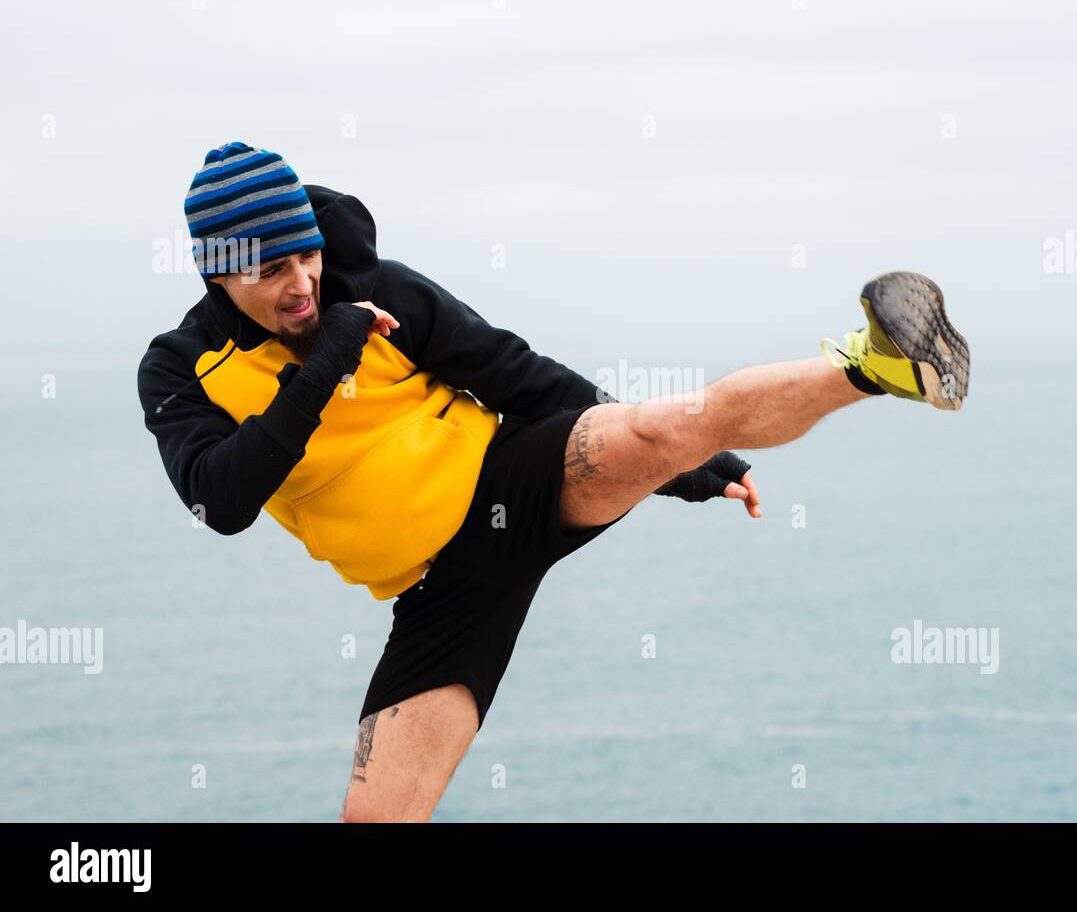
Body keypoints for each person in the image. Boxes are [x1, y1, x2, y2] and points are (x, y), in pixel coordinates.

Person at [137, 141, 970, 822]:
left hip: (511, 483)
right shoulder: (181, 371)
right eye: (269, 270)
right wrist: (326, 363)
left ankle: (880, 363)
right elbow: (225, 500)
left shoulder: (377, 290)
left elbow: (518, 374)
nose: (302, 282)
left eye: (306, 253)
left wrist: (684, 471)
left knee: (669, 422)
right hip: (440, 596)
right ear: (218, 275)